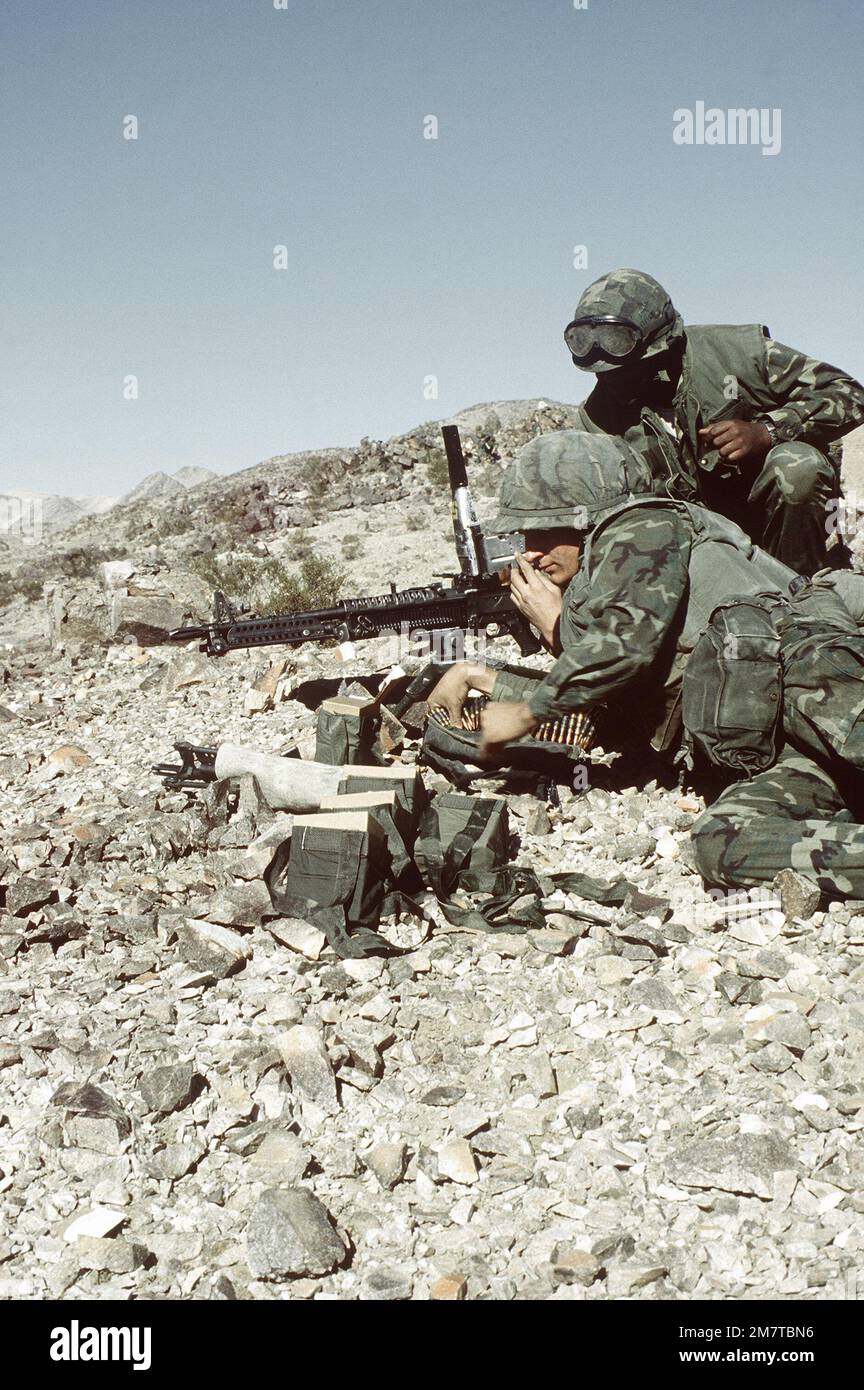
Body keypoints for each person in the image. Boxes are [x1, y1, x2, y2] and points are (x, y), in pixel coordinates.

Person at [428, 429, 864, 899]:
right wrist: (477, 675)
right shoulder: (602, 586)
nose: (529, 550)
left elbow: (624, 648)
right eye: (525, 532)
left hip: (824, 690)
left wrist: (535, 692)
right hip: (784, 752)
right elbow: (616, 709)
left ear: (588, 519)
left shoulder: (643, 527)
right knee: (723, 844)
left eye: (545, 530)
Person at [562, 268, 864, 576]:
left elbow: (849, 393)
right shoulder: (597, 418)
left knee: (798, 467)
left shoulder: (739, 354)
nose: (610, 381)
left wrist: (767, 431)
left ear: (663, 345)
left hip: (770, 529)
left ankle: (802, 596)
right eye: (603, 372)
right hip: (691, 553)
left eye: (624, 370)